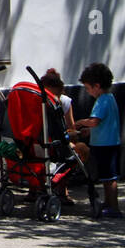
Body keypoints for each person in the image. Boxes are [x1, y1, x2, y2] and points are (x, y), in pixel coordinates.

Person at [72, 61, 122, 218]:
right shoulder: (110, 98)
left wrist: (80, 123)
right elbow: (103, 123)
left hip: (105, 145)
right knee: (108, 176)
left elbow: (95, 121)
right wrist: (89, 131)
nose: (87, 92)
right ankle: (109, 203)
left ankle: (113, 207)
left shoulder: (102, 101)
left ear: (97, 86)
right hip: (108, 142)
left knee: (109, 178)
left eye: (88, 88)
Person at [39, 67, 88, 206]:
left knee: (73, 149)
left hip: (41, 142)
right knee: (80, 150)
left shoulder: (37, 98)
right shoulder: (60, 101)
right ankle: (62, 188)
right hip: (52, 143)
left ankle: (42, 188)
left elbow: (70, 128)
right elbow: (71, 129)